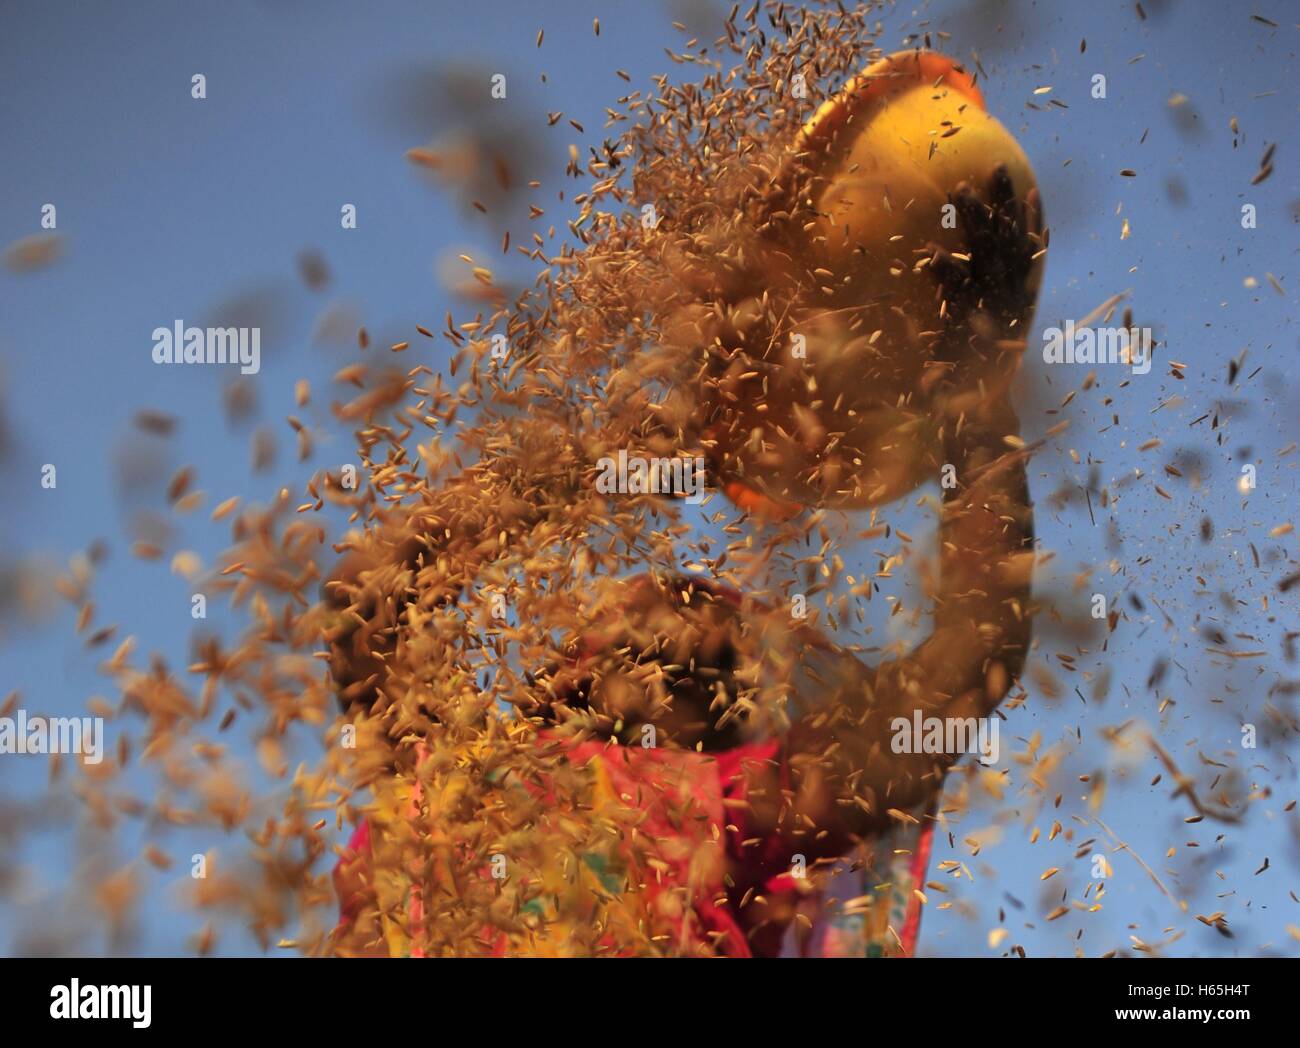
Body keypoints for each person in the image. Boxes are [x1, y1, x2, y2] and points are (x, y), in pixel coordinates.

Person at [330, 49, 1044, 957]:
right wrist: (650, 463)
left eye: (680, 624)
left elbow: (967, 661)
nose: (636, 596)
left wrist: (970, 390)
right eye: (635, 609)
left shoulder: (718, 815)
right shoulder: (455, 776)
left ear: (696, 719)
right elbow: (374, 597)